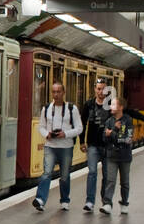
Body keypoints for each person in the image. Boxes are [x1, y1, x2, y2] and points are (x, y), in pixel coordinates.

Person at [33, 82, 82, 211]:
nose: (56, 94)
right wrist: (47, 134)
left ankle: (65, 200)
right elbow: (41, 126)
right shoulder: (47, 108)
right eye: (53, 92)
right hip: (50, 146)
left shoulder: (72, 109)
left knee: (65, 175)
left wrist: (65, 134)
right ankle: (40, 199)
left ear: (63, 92)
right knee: (47, 173)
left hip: (66, 147)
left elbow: (79, 128)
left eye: (58, 92)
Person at [80, 80, 111, 213]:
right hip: (92, 144)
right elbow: (83, 122)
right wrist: (82, 141)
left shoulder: (111, 105)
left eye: (103, 89)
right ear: (95, 89)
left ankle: (105, 202)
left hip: (107, 145)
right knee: (92, 172)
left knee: (106, 174)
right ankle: (90, 201)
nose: (100, 92)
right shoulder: (88, 105)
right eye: (98, 89)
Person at [100, 97, 134, 215]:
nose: (110, 107)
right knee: (110, 180)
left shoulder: (128, 120)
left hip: (125, 156)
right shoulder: (109, 121)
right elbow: (104, 138)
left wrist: (112, 133)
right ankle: (107, 203)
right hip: (111, 156)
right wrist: (115, 130)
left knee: (124, 182)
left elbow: (127, 139)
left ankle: (124, 203)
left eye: (113, 104)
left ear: (121, 107)